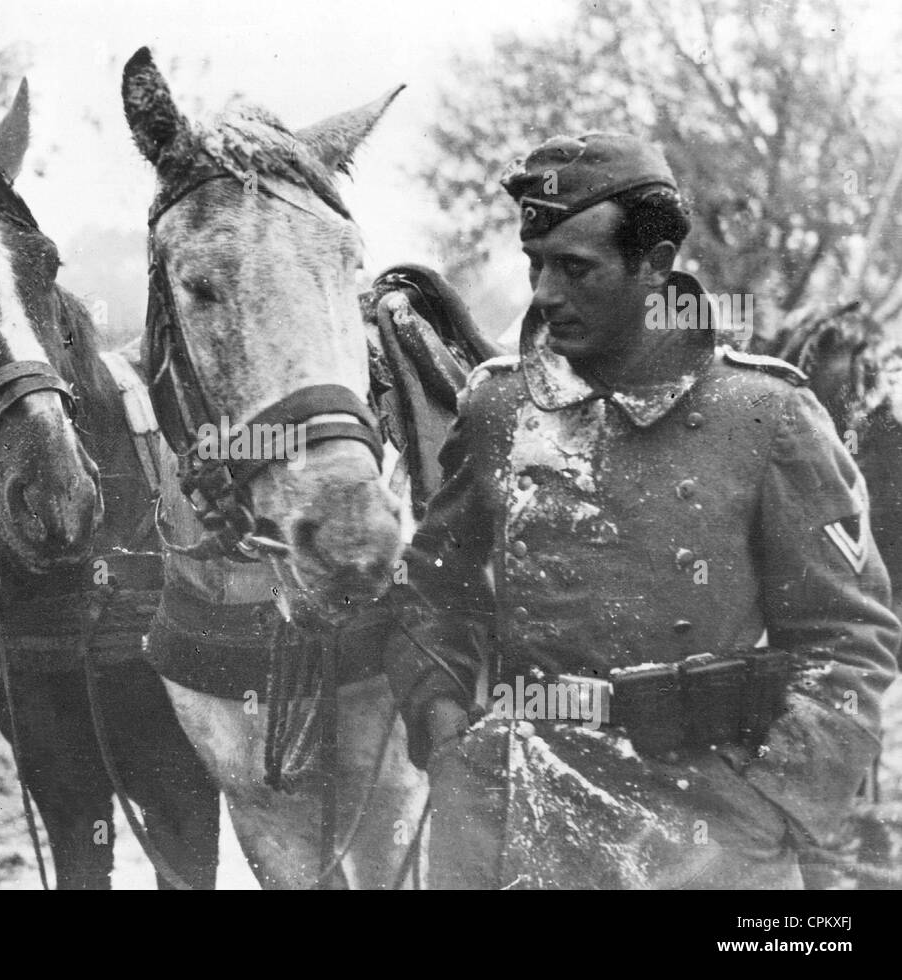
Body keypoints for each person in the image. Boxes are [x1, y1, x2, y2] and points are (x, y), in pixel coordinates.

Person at [384, 132, 900, 888]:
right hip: (516, 819)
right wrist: (446, 732)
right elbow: (434, 592)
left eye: (576, 269)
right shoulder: (498, 407)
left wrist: (772, 804)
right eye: (536, 266)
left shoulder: (764, 414)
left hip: (711, 835)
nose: (545, 295)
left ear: (655, 266)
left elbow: (849, 640)